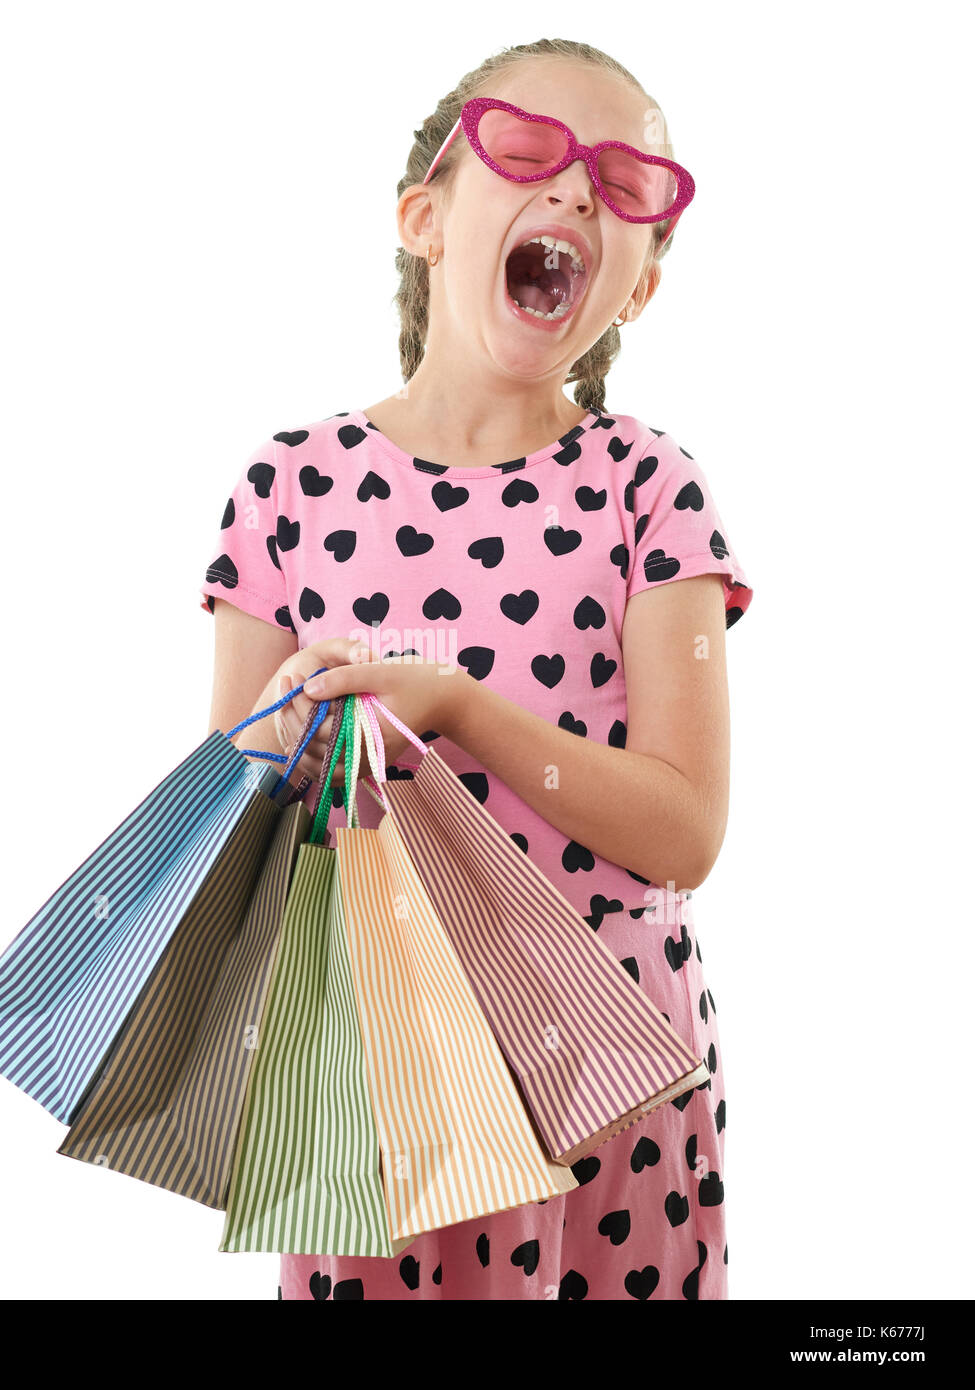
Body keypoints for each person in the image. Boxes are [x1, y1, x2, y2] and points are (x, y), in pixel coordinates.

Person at [201, 37, 753, 1301]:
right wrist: (298, 721)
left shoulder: (647, 488)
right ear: (425, 219)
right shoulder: (285, 487)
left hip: (613, 1053)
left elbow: (683, 831)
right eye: (527, 152)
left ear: (641, 286)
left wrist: (456, 705)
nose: (573, 194)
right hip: (378, 1057)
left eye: (624, 186)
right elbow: (232, 827)